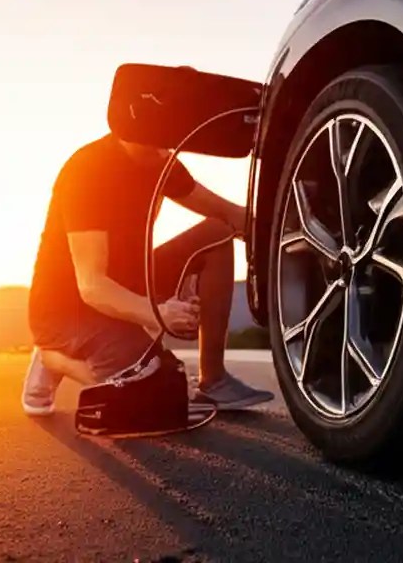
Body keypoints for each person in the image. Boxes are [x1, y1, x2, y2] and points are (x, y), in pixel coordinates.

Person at [21, 131, 274, 416]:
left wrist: (290, 230)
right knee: (152, 390)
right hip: (68, 309)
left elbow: (230, 214)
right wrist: (160, 314)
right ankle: (52, 356)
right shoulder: (88, 170)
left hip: (127, 284)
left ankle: (213, 380)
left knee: (217, 231)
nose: (168, 149)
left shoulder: (160, 158)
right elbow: (92, 285)